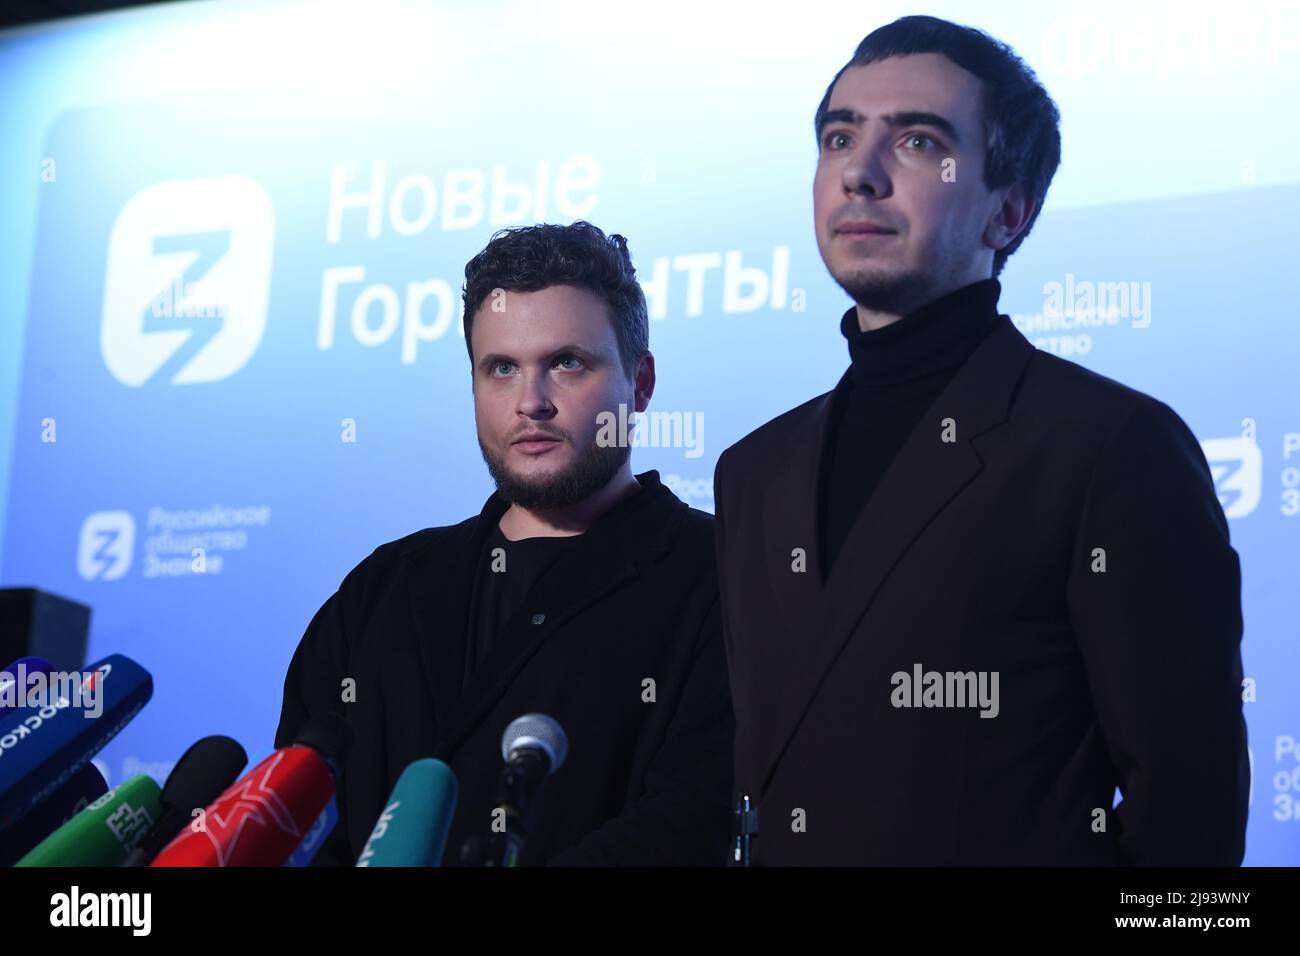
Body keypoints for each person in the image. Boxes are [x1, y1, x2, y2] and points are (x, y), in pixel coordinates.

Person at [713, 15, 1248, 865]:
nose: (859, 172)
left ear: (1008, 209)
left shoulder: (1111, 447)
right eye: (839, 135)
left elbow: (1189, 808)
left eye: (919, 141)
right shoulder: (753, 470)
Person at [278, 221, 733, 865]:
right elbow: (299, 823)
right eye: (501, 369)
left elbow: (696, 819)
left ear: (641, 382)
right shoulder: (381, 591)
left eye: (567, 363)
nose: (531, 403)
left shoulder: (719, 577)